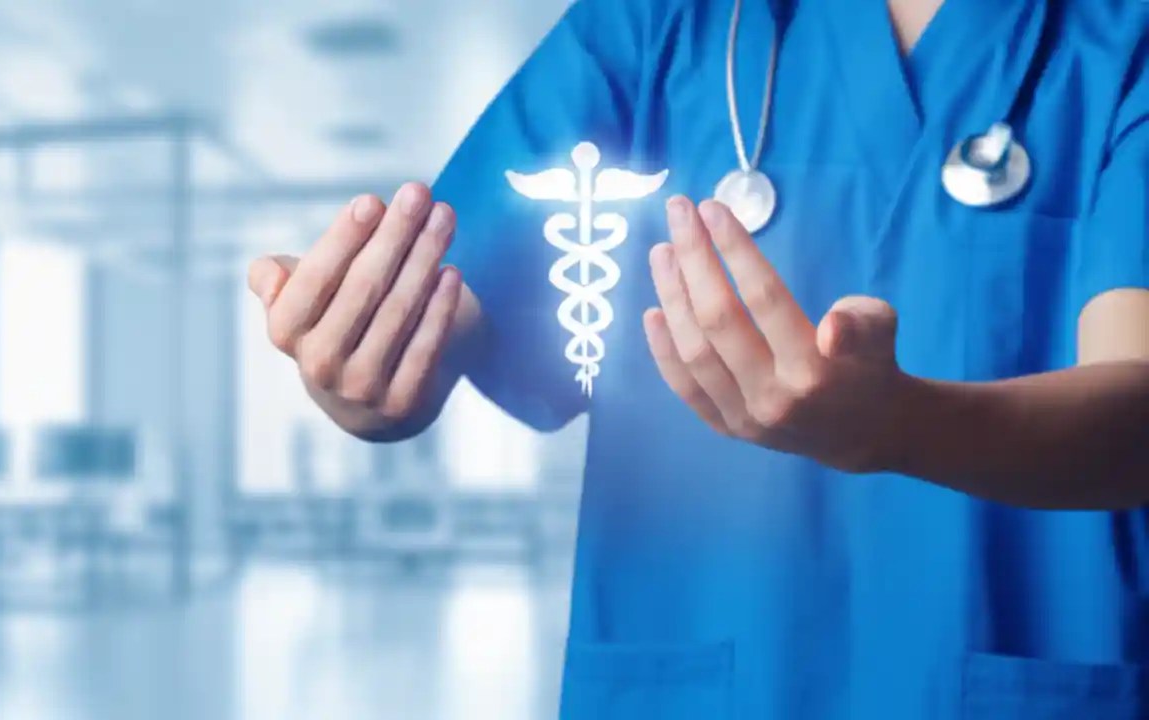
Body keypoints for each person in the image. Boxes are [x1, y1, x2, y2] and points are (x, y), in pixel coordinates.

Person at [246, 0, 1149, 716]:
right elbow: (454, 311)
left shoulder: (1125, 39)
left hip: (1007, 671)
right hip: (701, 675)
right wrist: (369, 366)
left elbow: (1137, 412)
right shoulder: (658, 23)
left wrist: (905, 426)